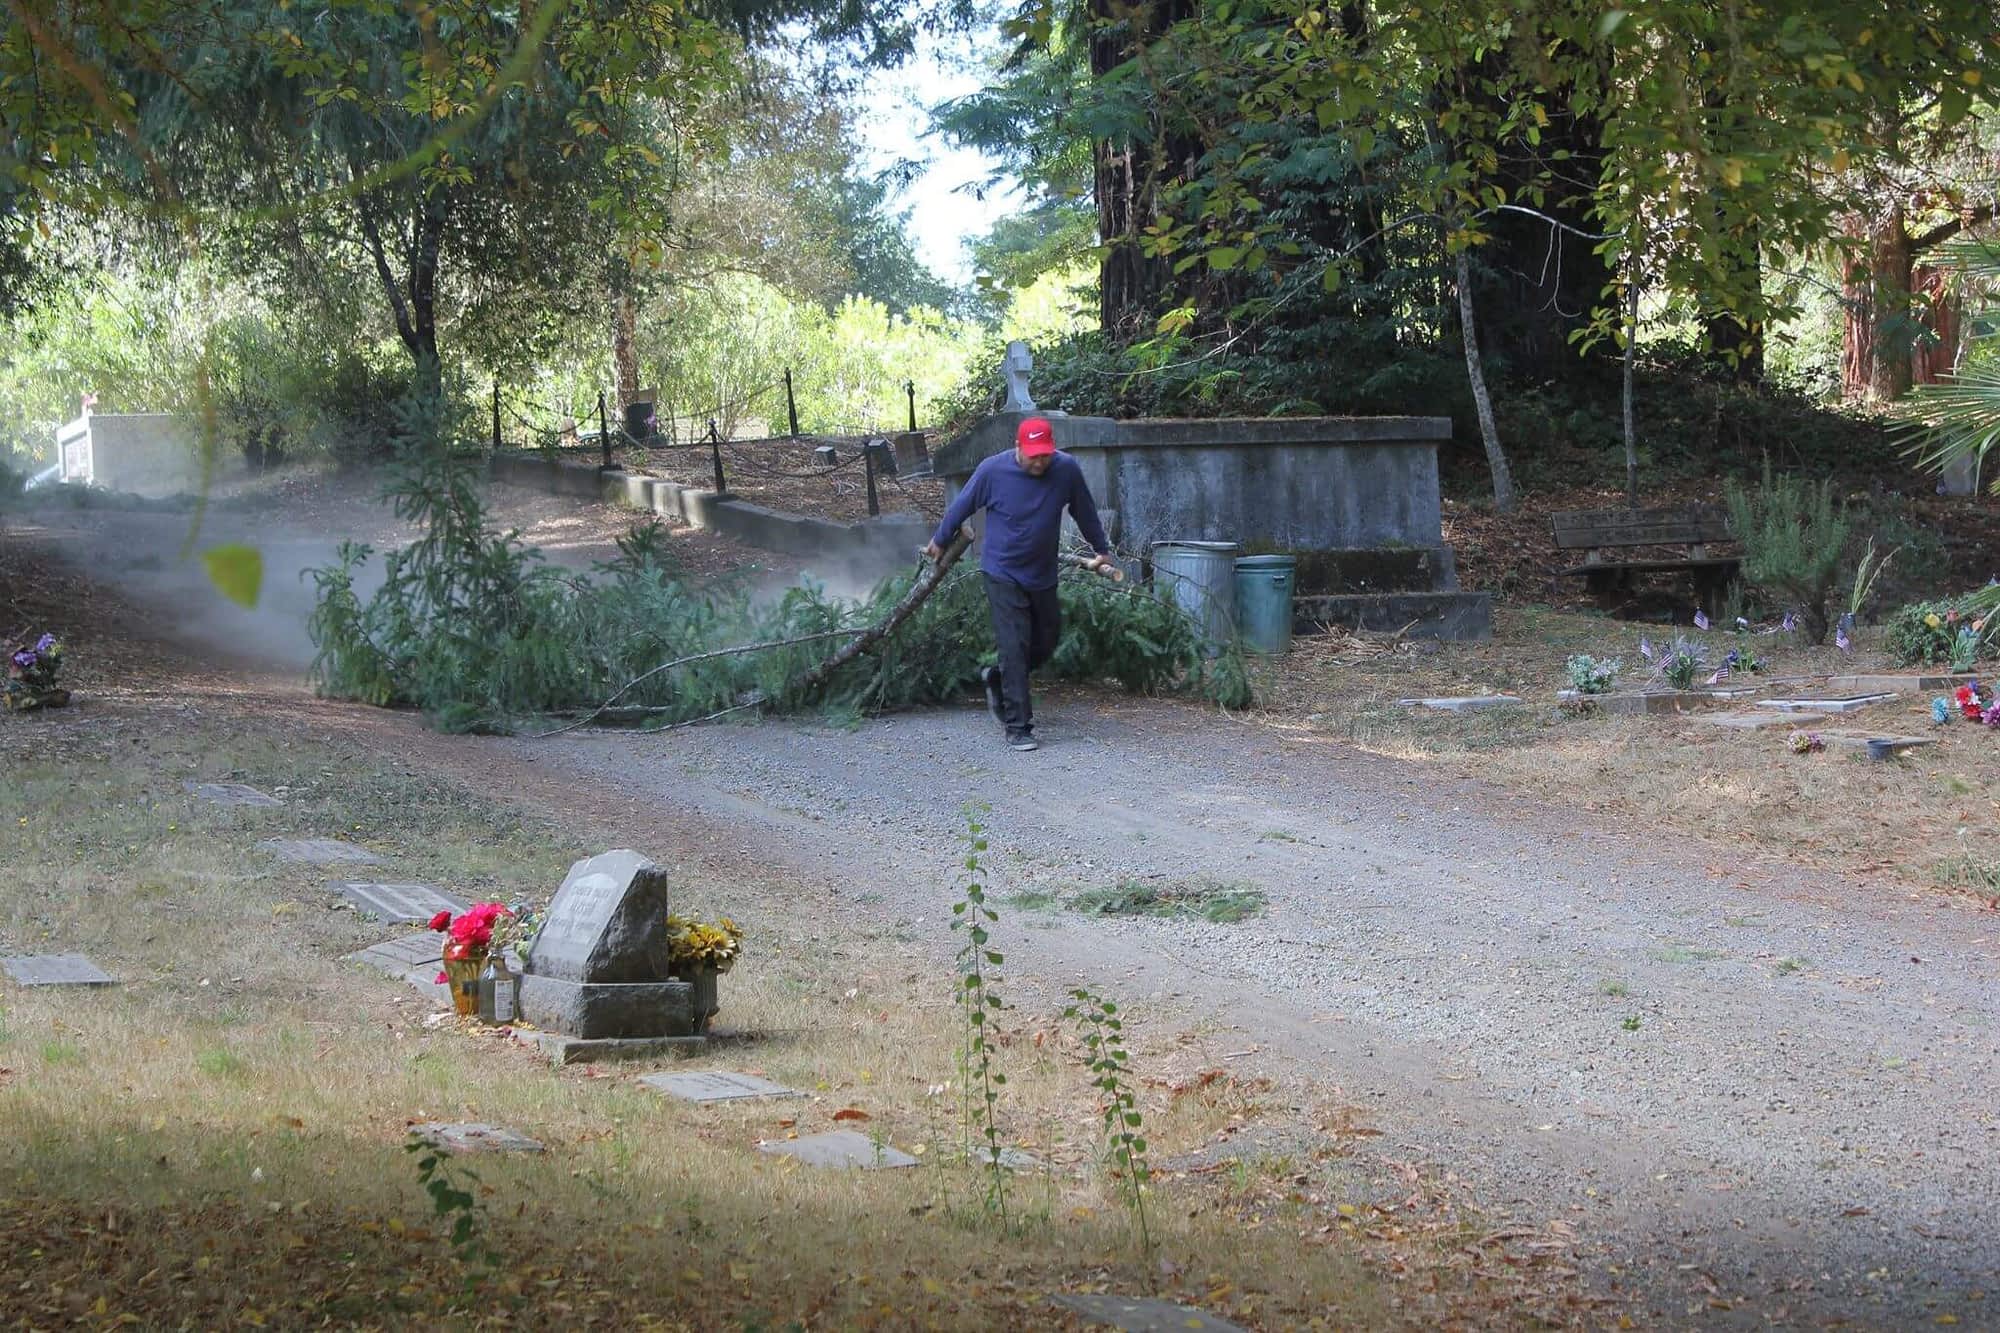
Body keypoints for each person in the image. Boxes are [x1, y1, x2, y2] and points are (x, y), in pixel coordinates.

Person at [926, 416, 1114, 751]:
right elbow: (962, 505)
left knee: (1046, 639)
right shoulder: (992, 471)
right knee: (1014, 645)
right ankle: (1018, 726)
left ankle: (998, 678)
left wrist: (1102, 549)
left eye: (1045, 454)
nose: (1040, 461)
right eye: (1033, 455)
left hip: (1042, 573)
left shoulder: (1065, 469)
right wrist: (940, 540)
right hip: (1002, 571)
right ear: (1018, 447)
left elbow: (1084, 510)